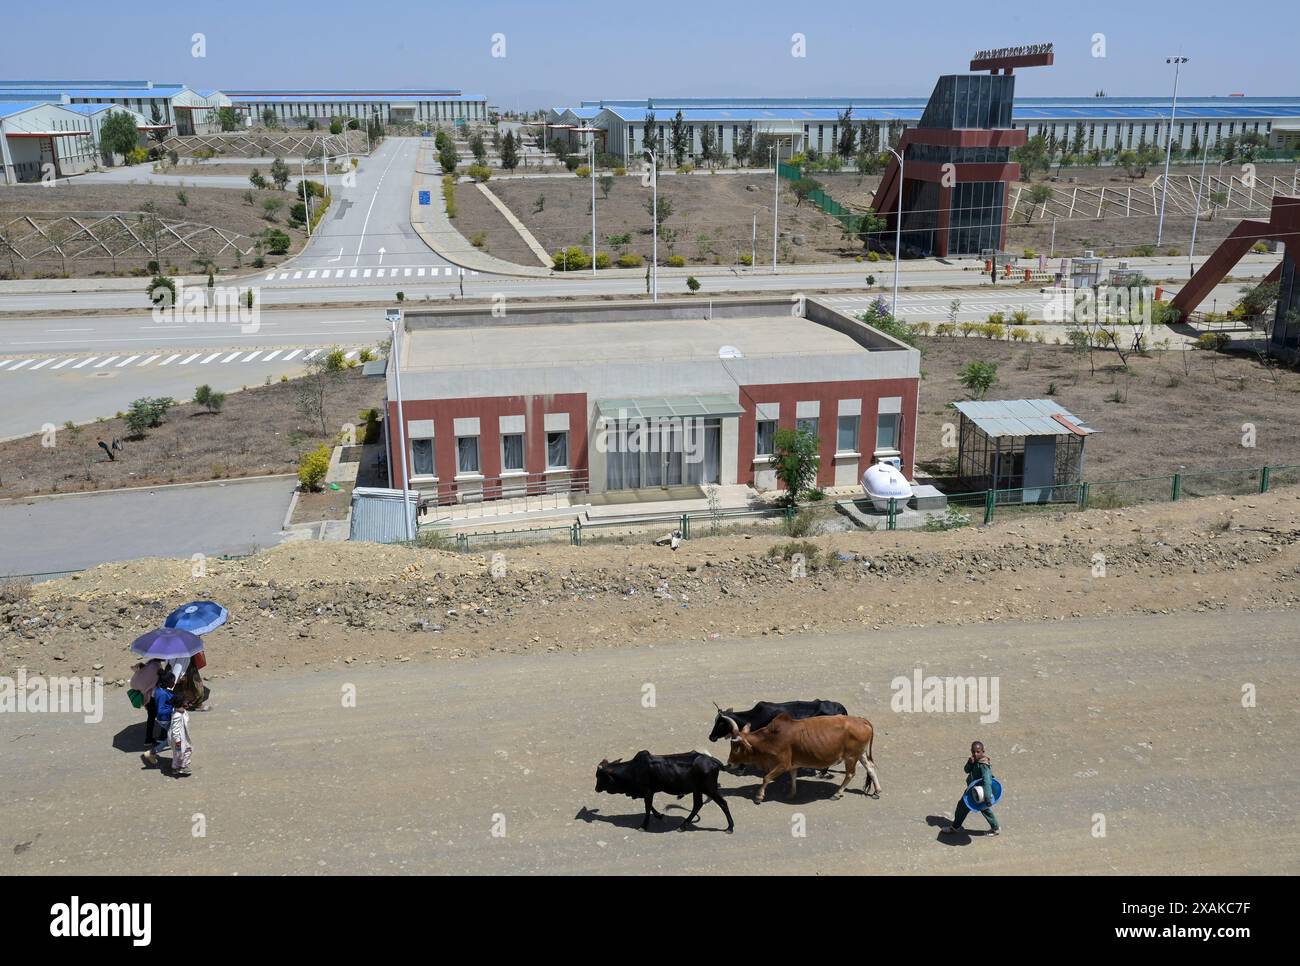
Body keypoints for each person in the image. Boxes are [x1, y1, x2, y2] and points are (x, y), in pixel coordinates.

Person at [941, 740, 1000, 836]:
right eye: (973, 752)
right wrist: (970, 763)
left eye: (978, 752)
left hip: (981, 792)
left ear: (983, 752)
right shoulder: (974, 761)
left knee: (975, 807)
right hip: (972, 790)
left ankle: (955, 827)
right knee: (964, 806)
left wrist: (988, 797)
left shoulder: (984, 765)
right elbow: (966, 770)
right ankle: (995, 828)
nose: (975, 754)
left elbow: (987, 781)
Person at [140, 670, 176, 769]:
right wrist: (173, 710)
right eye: (173, 681)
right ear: (166, 682)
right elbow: (161, 710)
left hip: (164, 719)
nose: (174, 683)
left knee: (172, 737)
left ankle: (153, 753)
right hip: (165, 719)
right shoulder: (163, 694)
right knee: (174, 738)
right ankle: (152, 752)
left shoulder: (161, 690)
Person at [128, 658, 163, 749]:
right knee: (164, 716)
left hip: (146, 697)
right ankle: (163, 738)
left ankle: (148, 739)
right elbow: (157, 681)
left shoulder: (147, 665)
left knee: (151, 717)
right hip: (152, 697)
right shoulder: (156, 667)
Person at [169, 697, 193, 778]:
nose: (188, 703)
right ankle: (183, 766)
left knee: (177, 753)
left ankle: (175, 768)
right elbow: (175, 730)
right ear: (181, 704)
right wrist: (178, 741)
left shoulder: (179, 711)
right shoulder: (177, 715)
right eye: (186, 702)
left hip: (182, 737)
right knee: (188, 750)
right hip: (179, 739)